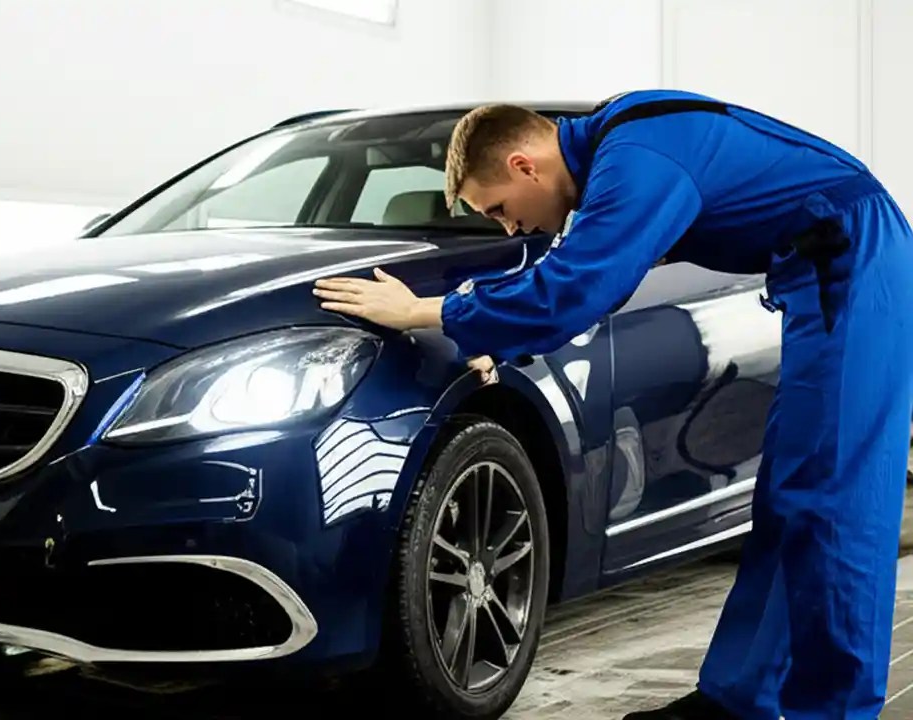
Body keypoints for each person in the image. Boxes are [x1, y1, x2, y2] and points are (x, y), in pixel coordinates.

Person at [312, 89, 913, 720]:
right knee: (790, 499)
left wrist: (426, 311)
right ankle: (741, 701)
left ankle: (837, 709)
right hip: (820, 268)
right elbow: (569, 264)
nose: (508, 227)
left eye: (499, 210)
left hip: (852, 260)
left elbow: (581, 284)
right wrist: (491, 335)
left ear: (524, 166)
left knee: (833, 505)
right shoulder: (613, 148)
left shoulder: (636, 158)